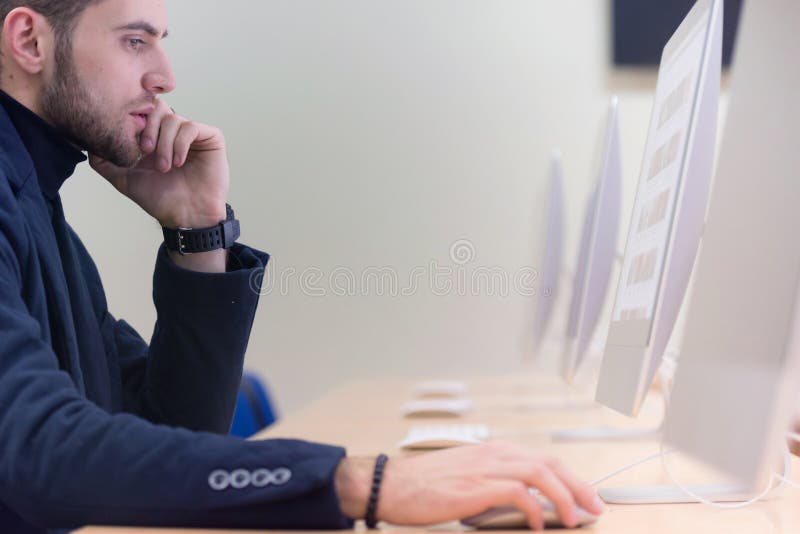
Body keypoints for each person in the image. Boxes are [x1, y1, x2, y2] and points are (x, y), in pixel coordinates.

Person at [0, 1, 605, 532]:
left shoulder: (40, 208)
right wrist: (364, 484)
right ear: (29, 40)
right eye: (136, 41)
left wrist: (198, 232)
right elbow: (40, 449)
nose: (165, 77)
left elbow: (168, 428)